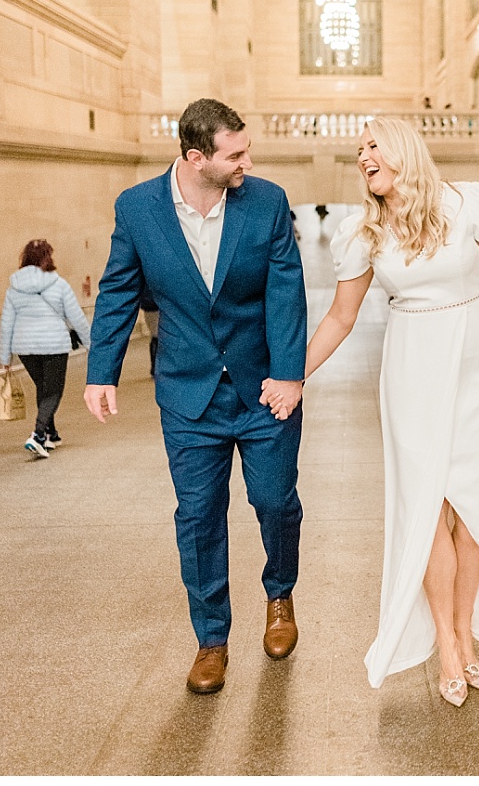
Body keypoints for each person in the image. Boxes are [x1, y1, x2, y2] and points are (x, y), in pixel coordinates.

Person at [304, 117, 479, 707]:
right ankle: (445, 641)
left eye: (372, 146)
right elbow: (340, 317)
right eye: (359, 150)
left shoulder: (469, 204)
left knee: (476, 502)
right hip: (412, 365)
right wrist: (293, 375)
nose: (363, 157)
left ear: (403, 150)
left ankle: (465, 629)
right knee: (430, 505)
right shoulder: (364, 233)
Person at [85, 98, 308, 696]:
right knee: (198, 517)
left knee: (274, 501)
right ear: (195, 157)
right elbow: (117, 292)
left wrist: (290, 374)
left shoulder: (266, 202)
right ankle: (211, 639)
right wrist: (100, 371)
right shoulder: (138, 210)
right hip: (188, 395)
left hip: (264, 390)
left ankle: (279, 593)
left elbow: (286, 291)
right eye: (235, 154)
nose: (248, 162)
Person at [0, 239, 91, 458]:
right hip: (53, 345)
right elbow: (76, 317)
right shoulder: (58, 284)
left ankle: (51, 434)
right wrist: (91, 345)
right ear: (47, 258)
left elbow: (6, 323)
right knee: (53, 391)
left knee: (43, 387)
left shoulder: (14, 287)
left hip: (25, 347)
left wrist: (5, 356)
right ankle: (38, 435)